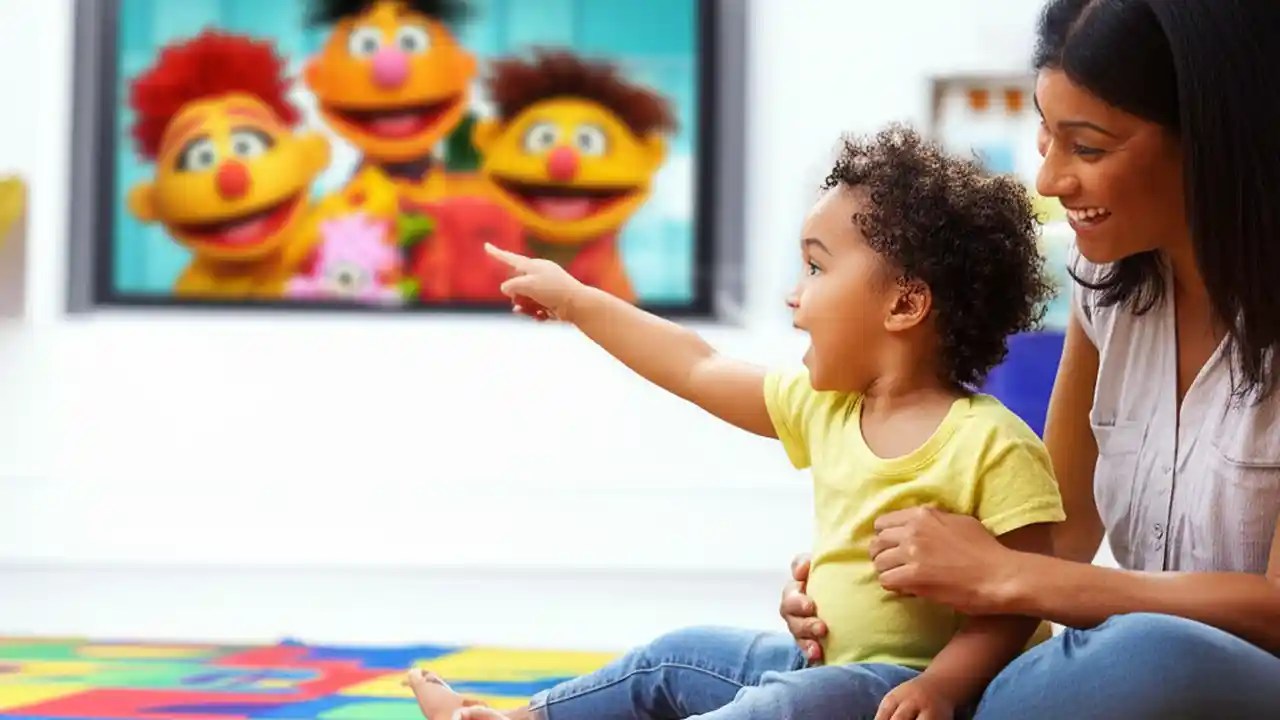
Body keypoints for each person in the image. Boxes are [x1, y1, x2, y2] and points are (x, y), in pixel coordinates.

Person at [405, 125, 1065, 719]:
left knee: (784, 704)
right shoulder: (825, 407)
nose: (793, 294)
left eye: (816, 266)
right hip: (821, 672)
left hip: (907, 691)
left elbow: (1021, 600)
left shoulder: (995, 445)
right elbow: (697, 366)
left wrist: (942, 687)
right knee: (677, 657)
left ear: (904, 303)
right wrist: (580, 302)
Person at [773, 1, 1280, 717]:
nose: (1048, 180)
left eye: (1089, 147)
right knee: (810, 671)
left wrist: (1012, 579)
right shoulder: (1106, 291)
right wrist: (872, 585)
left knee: (1148, 652)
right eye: (1046, 134)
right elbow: (1058, 536)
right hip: (1126, 679)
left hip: (1212, 679)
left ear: (1215, 140)